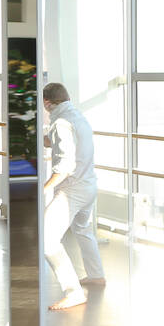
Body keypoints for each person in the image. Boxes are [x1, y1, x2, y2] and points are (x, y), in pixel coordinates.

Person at [41, 82, 105, 311]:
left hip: (72, 190)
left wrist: (44, 188)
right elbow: (61, 144)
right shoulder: (77, 115)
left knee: (47, 240)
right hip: (89, 184)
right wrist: (40, 141)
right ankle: (96, 275)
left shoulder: (59, 122)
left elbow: (65, 167)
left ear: (47, 103)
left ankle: (73, 292)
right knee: (83, 230)